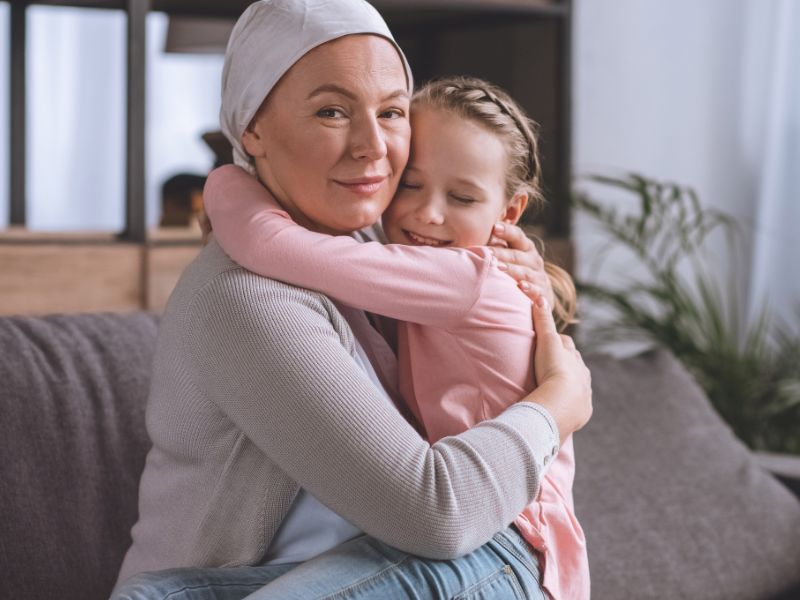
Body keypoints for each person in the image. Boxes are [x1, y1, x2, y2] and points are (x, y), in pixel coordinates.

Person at [112, 1, 592, 598]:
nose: (373, 146)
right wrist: (557, 407)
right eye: (332, 111)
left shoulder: (382, 240)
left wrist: (530, 283)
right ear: (250, 128)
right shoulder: (248, 296)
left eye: (392, 111)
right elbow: (435, 512)